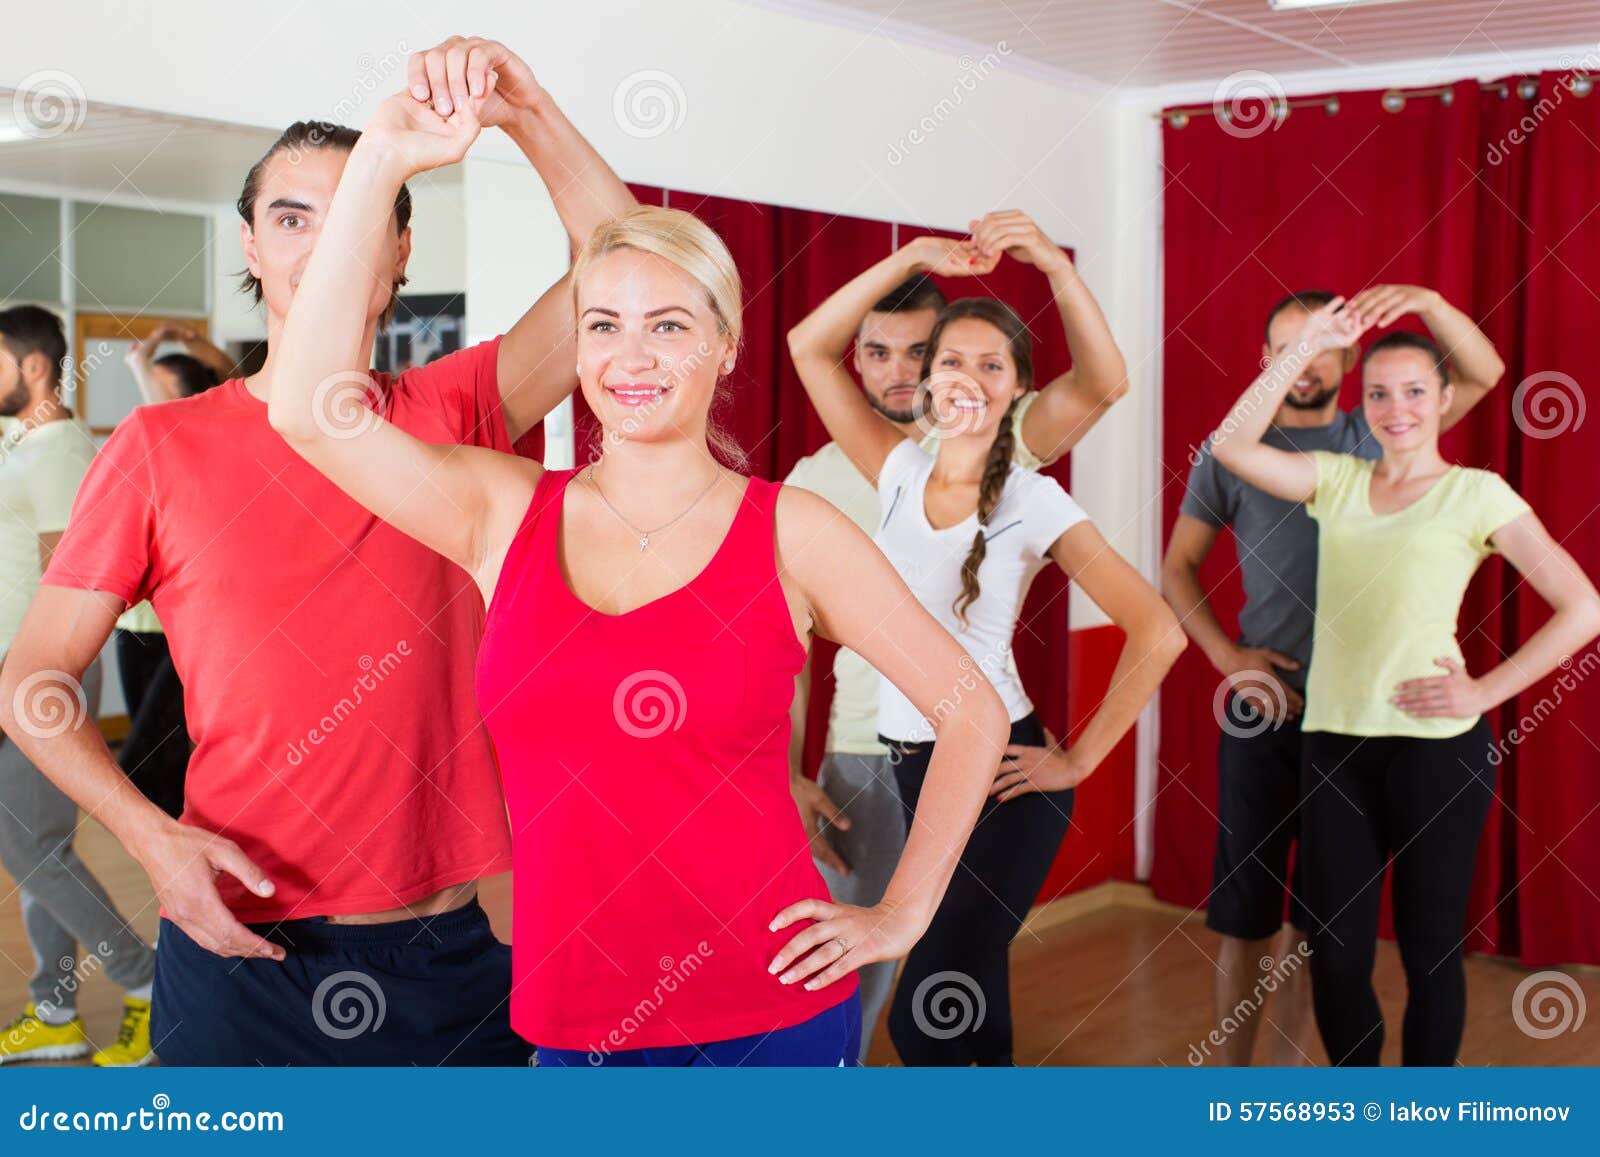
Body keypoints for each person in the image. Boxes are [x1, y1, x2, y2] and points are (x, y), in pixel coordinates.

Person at [265, 88, 1011, 1067]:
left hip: (771, 1008)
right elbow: (309, 412)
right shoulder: (502, 510)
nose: (630, 355)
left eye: (667, 324)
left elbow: (972, 710)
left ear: (724, 344)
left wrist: (902, 910)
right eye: (604, 323)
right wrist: (383, 159)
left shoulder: (792, 530)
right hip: (572, 1014)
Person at [0, 36, 636, 1066]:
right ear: (250, 246)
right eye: (291, 217)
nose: (319, 242)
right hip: (238, 946)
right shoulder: (161, 447)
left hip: (446, 954)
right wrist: (148, 836)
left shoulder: (463, 404)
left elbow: (624, 266)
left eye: (354, 214)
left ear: (399, 252)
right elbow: (31, 676)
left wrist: (527, 109)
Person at [793, 249, 1184, 1065]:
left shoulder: (1032, 495)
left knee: (922, 1017)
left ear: (1016, 384)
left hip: (998, 775)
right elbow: (807, 346)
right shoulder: (894, 470)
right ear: (928, 380)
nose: (967, 377)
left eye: (991, 363)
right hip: (905, 761)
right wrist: (906, 257)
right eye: (951, 361)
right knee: (971, 1000)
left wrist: (1077, 760)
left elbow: (1159, 629)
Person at [1209, 298, 1600, 1066]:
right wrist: (1307, 346)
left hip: (1437, 753)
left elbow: (1584, 605)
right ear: (1363, 402)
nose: (1397, 409)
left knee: (1429, 952)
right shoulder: (1336, 479)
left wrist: (1487, 691)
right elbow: (1231, 443)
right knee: (1336, 953)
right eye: (1380, 393)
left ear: (1445, 400)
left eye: (1416, 391)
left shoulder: (1478, 493)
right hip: (1334, 747)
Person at [1162, 284, 1506, 1064]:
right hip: (1267, 704)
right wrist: (1229, 659)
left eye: (1321, 346)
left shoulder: (1381, 434)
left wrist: (1425, 298)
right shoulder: (1236, 455)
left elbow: (1483, 372)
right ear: (1266, 361)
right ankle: (1229, 1081)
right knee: (1245, 908)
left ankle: (1293, 1079)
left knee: (1324, 921)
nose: (1306, 362)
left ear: (1349, 362)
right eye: (1289, 346)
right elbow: (1177, 568)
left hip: (1366, 715)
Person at [0, 305, 157, 1067]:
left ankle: (145, 979)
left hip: (37, 673)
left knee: (29, 845)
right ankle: (57, 1008)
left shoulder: (60, 453)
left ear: (34, 368)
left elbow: (76, 581)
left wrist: (33, 684)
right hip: (14, 670)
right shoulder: (24, 445)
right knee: (39, 846)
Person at [113, 325, 227, 819]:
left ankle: (189, 850)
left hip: (180, 632)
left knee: (149, 763)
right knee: (155, 753)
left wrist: (150, 358)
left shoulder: (202, 449)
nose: (146, 398)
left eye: (157, 385)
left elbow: (222, 378)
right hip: (132, 626)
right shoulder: (151, 451)